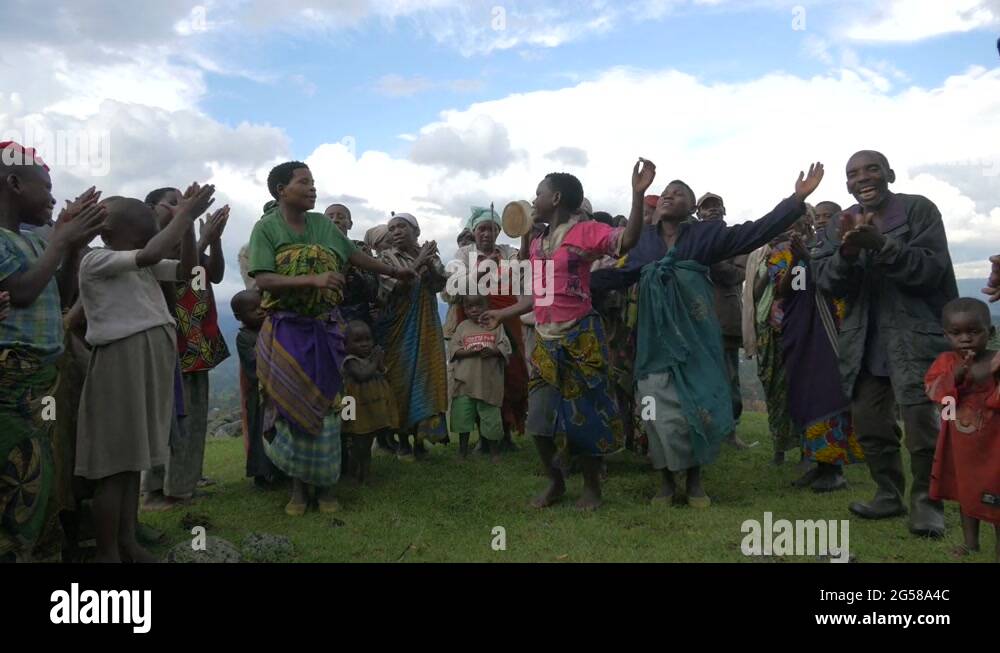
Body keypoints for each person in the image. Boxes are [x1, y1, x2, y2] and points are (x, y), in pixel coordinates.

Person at [592, 159, 824, 506]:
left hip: (696, 339)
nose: (670, 196)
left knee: (697, 405)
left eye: (679, 193)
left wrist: (795, 201)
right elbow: (617, 276)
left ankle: (696, 480)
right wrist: (573, 285)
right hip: (654, 341)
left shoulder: (706, 235)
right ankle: (666, 482)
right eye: (666, 193)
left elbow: (755, 231)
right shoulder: (642, 243)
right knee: (654, 408)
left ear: (691, 208)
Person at [247, 161, 414, 515]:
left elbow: (354, 257)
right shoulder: (266, 229)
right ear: (281, 190)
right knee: (292, 406)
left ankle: (325, 488)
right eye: (303, 182)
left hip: (325, 330)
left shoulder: (322, 225)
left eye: (313, 182)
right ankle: (296, 489)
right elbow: (263, 279)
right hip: (288, 333)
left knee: (327, 408)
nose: (312, 188)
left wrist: (394, 271)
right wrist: (314, 280)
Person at [481, 169, 648, 510]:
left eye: (539, 192)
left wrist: (637, 195)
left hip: (581, 337)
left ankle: (591, 489)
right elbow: (539, 293)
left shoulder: (585, 232)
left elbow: (626, 241)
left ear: (555, 198)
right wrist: (504, 313)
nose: (534, 198)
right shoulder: (541, 241)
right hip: (545, 339)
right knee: (539, 422)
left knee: (583, 417)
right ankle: (555, 483)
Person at [812, 150, 957, 537]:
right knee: (871, 424)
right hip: (863, 341)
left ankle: (927, 504)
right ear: (847, 184)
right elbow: (825, 281)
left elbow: (931, 270)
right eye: (854, 173)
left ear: (889, 173)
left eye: (872, 168)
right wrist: (847, 251)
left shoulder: (917, 210)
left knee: (922, 427)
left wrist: (882, 245)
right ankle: (888, 494)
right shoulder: (837, 224)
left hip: (916, 337)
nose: (863, 177)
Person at [75, 187, 215, 562]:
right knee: (112, 464)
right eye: (147, 222)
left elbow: (186, 272)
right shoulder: (97, 260)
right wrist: (185, 214)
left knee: (131, 462)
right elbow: (152, 253)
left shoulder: (140, 263)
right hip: (121, 361)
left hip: (147, 361)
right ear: (117, 230)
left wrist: (185, 229)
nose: (155, 226)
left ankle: (127, 542)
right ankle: (108, 552)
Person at [0, 143, 105, 562]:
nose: (51, 197)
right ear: (13, 183)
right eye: (44, 187)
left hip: (44, 379)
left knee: (42, 473)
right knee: (17, 476)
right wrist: (62, 239)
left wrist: (73, 246)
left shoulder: (34, 242)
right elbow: (21, 293)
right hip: (13, 381)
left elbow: (60, 292)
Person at [141, 188, 230, 509]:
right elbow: (185, 273)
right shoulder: (151, 242)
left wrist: (213, 239)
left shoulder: (184, 241)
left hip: (194, 340)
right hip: (171, 343)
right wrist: (194, 227)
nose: (183, 207)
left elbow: (213, 275)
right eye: (174, 202)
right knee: (169, 418)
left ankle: (175, 485)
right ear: (152, 208)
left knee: (187, 416)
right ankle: (166, 489)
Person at [770, 221, 863, 490]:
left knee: (828, 393)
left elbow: (836, 282)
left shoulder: (840, 250)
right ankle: (818, 464)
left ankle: (835, 469)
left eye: (826, 215)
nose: (820, 220)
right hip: (801, 331)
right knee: (805, 394)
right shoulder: (785, 253)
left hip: (830, 330)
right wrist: (798, 260)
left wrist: (808, 258)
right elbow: (787, 291)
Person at [442, 205, 528, 452]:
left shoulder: (508, 252)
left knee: (511, 373)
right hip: (471, 321)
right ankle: (483, 437)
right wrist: (481, 270)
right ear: (474, 231)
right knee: (476, 375)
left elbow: (522, 264)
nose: (487, 235)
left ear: (499, 232)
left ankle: (506, 434)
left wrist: (524, 231)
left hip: (505, 320)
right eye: (482, 229)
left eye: (492, 229)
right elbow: (450, 291)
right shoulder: (463, 254)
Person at [926, 298, 1000, 560]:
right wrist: (954, 377)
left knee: (995, 494)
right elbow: (937, 397)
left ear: (990, 333)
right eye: (956, 333)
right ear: (946, 335)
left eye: (974, 331)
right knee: (966, 493)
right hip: (960, 444)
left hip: (993, 444)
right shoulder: (946, 363)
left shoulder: (995, 361)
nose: (965, 339)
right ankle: (971, 543)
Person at [376, 212, 449, 460]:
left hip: (426, 324)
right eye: (392, 228)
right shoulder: (385, 257)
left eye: (402, 227)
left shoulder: (430, 256)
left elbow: (440, 285)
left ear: (416, 231)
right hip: (397, 329)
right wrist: (419, 260)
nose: (396, 231)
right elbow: (395, 287)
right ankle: (402, 441)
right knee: (399, 380)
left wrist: (428, 262)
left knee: (426, 378)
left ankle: (421, 440)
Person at [697, 192, 748, 449]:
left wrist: (711, 260)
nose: (712, 210)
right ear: (699, 214)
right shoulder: (690, 237)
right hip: (695, 321)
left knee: (729, 378)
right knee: (700, 378)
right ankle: (705, 431)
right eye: (706, 208)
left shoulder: (735, 238)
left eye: (716, 206)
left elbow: (738, 274)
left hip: (725, 319)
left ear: (724, 210)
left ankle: (730, 433)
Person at [450, 295, 511, 462]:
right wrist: (471, 352)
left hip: (488, 384)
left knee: (491, 420)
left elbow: (505, 347)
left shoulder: (495, 325)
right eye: (470, 307)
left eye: (479, 306)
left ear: (487, 306)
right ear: (464, 309)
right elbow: (454, 351)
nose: (474, 310)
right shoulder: (462, 327)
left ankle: (494, 452)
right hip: (464, 383)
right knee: (463, 420)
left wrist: (493, 352)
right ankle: (462, 452)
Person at [341, 320, 398, 485]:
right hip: (352, 405)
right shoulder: (350, 360)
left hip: (370, 406)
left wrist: (379, 360)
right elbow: (362, 375)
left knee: (367, 441)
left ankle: (366, 473)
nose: (364, 344)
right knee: (355, 442)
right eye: (358, 341)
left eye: (368, 339)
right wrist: (375, 360)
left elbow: (381, 370)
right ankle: (352, 473)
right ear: (346, 344)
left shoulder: (371, 357)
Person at [231, 289, 279, 489]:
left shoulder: (272, 328)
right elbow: (254, 365)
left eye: (262, 307)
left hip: (277, 392)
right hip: (259, 396)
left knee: (276, 431)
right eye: (253, 310)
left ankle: (279, 469)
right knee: (259, 432)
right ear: (239, 317)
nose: (260, 312)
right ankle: (261, 474)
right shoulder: (245, 338)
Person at [326, 203, 377, 325]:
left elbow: (373, 290)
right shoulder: (316, 248)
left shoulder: (360, 248)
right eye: (330, 216)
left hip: (357, 315)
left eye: (341, 217)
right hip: (326, 313)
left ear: (350, 224)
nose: (335, 220)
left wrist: (356, 270)